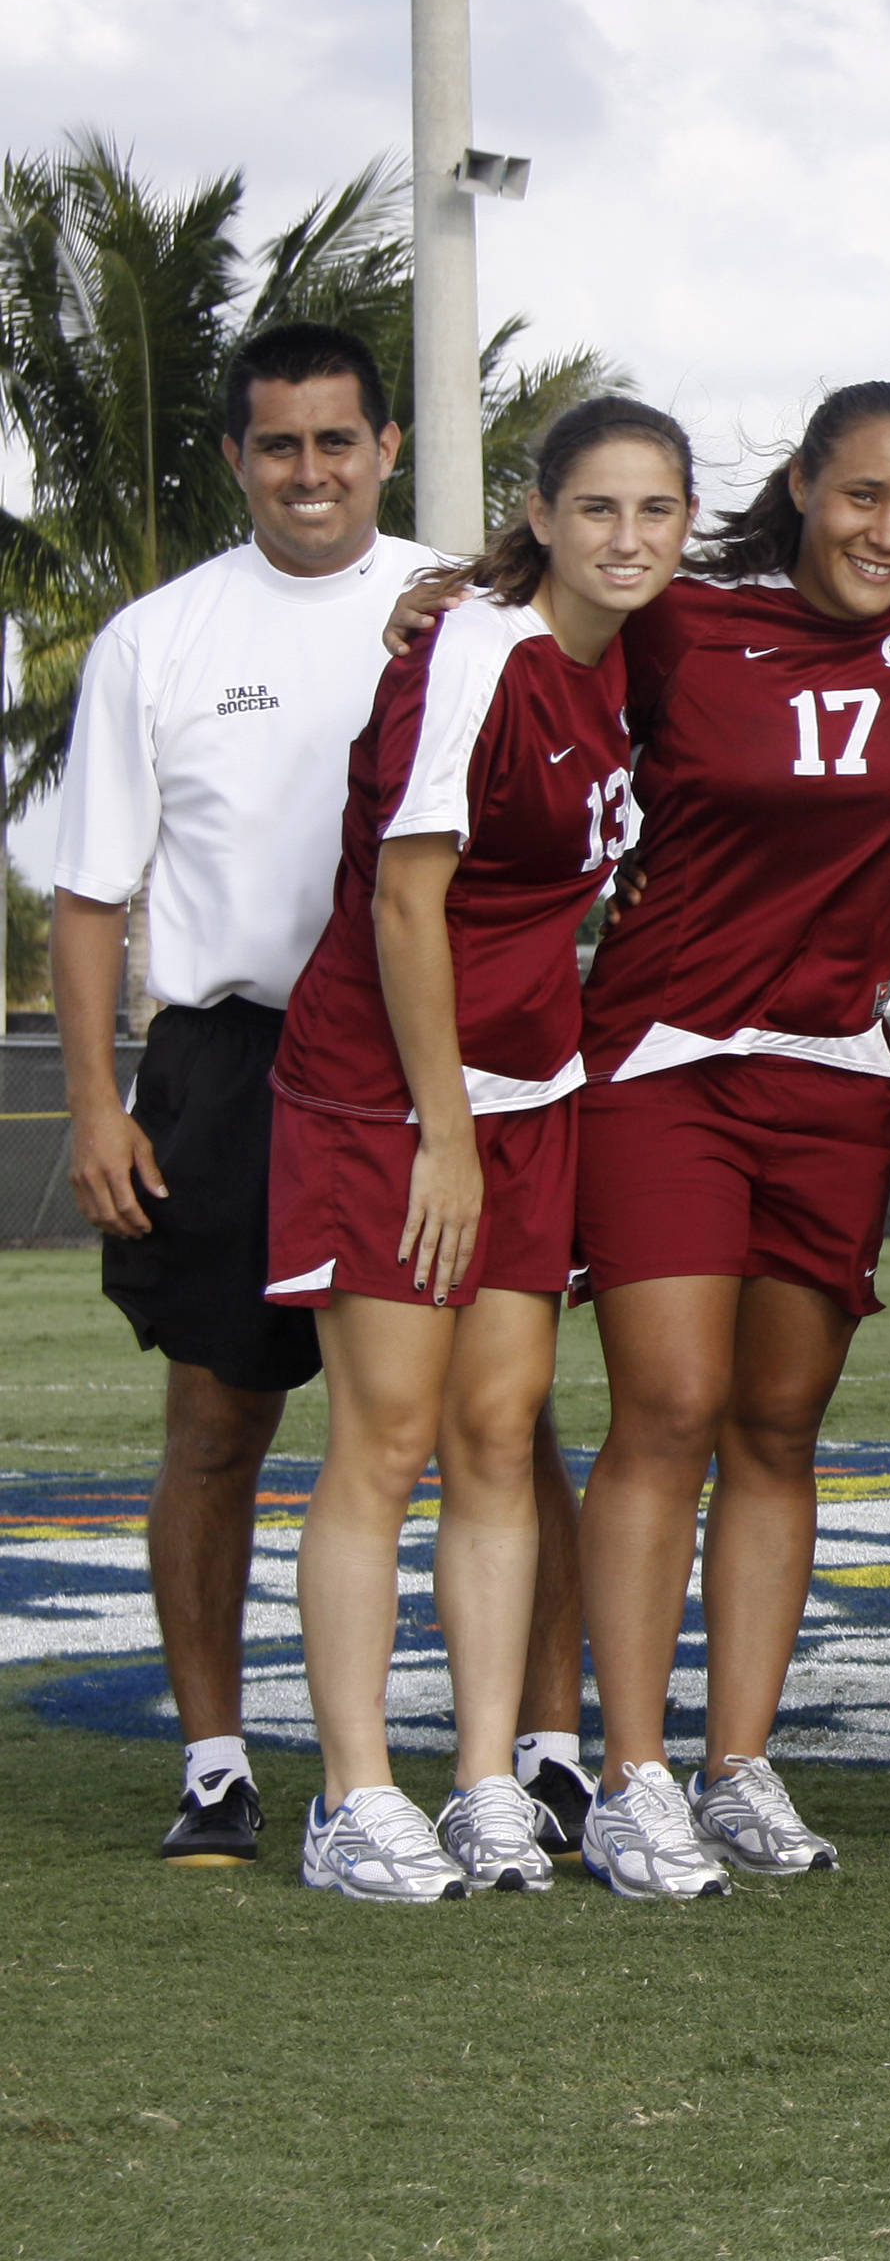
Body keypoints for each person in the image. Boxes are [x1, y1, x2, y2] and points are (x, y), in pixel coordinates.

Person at [48, 322, 591, 1867]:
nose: (308, 473)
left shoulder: (471, 612)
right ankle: (217, 1760)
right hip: (236, 1063)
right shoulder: (157, 639)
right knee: (219, 1417)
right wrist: (98, 1104)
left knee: (505, 1421)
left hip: (443, 1062)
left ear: (386, 449)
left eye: (336, 441)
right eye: (277, 445)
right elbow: (94, 896)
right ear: (235, 459)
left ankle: (537, 1754)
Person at [561, 381, 890, 1898]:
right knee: (670, 1406)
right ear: (805, 486)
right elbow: (541, 628)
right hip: (665, 1059)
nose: (888, 529)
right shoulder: (680, 624)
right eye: (862, 494)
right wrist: (456, 585)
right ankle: (628, 1774)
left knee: (777, 1424)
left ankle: (738, 1760)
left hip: (831, 1070)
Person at [270, 397, 691, 1899]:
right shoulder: (476, 648)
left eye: (656, 512)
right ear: (540, 512)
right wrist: (443, 1134)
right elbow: (404, 902)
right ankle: (350, 1796)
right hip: (390, 1093)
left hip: (532, 1088)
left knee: (501, 1433)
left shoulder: (635, 644)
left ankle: (484, 1783)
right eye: (597, 511)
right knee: (385, 1436)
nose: (628, 539)